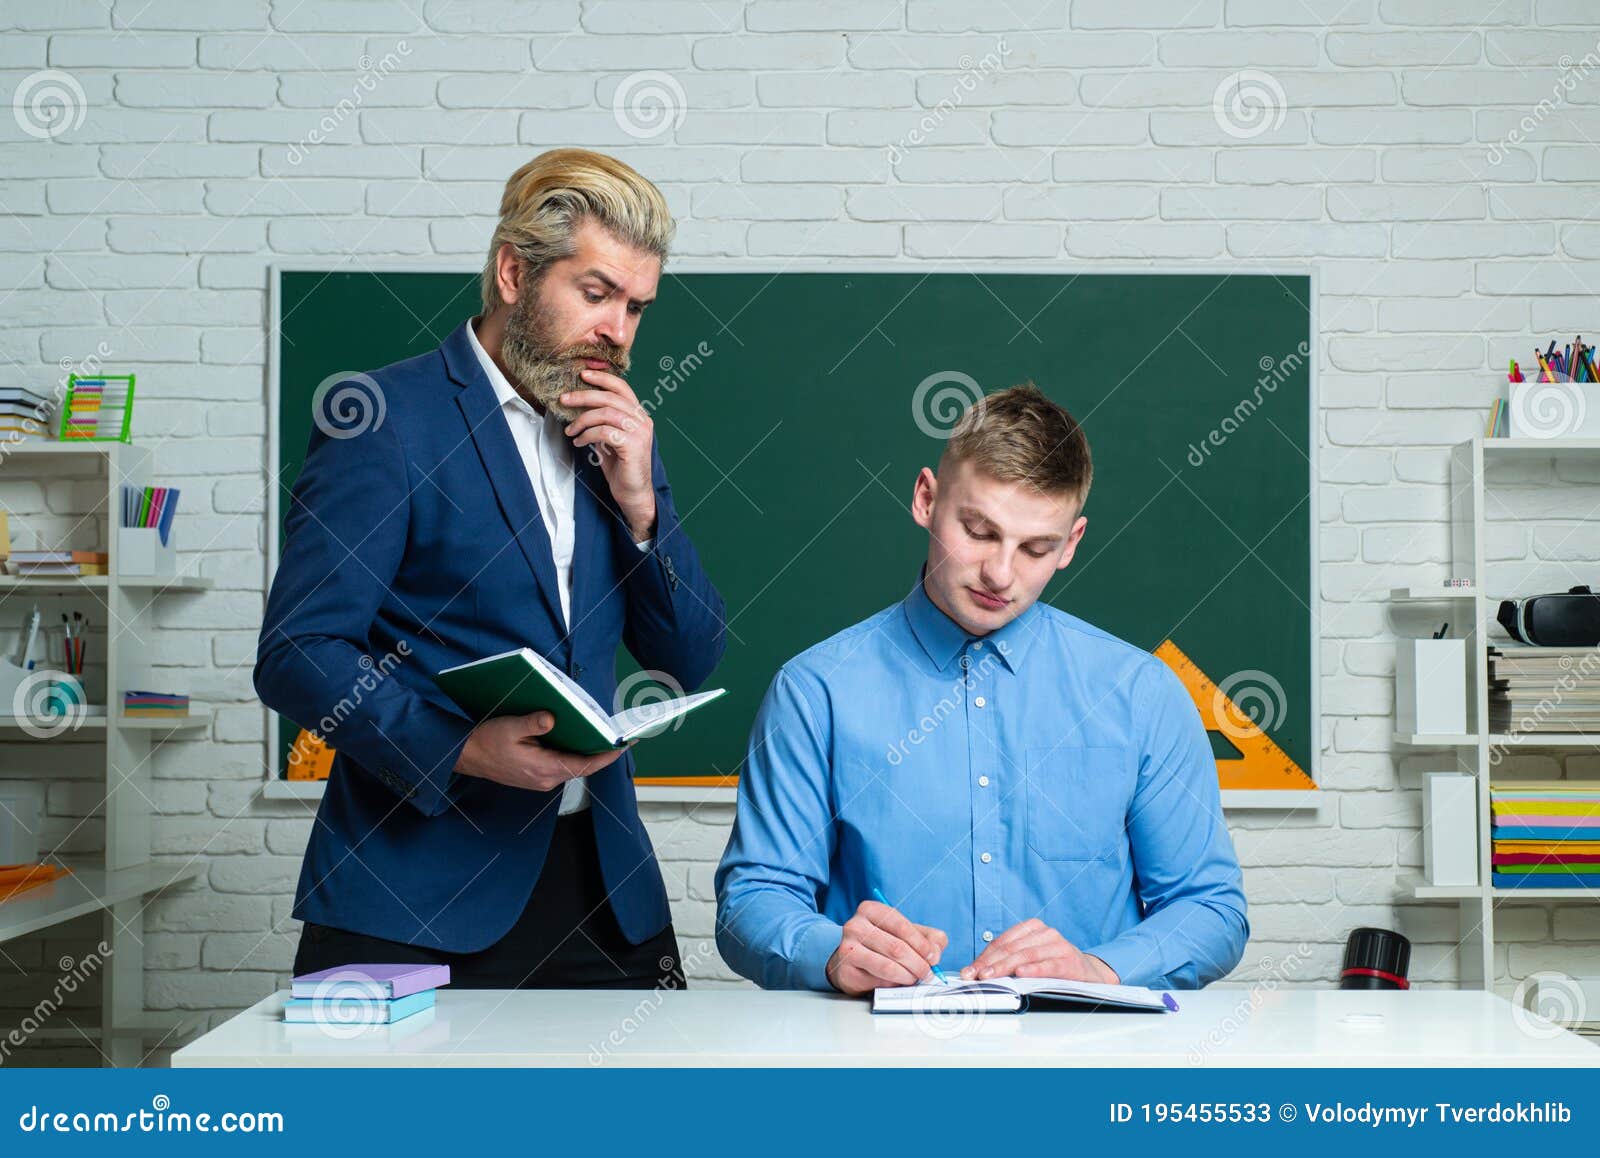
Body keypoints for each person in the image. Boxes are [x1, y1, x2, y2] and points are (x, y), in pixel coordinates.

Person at [256, 148, 725, 989]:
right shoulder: (385, 421)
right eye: (596, 294)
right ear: (514, 272)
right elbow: (299, 651)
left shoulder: (615, 435)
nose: (618, 330)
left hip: (604, 892)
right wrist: (462, 748)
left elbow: (688, 657)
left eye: (636, 306)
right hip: (416, 897)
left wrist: (643, 503)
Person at [715, 384, 1247, 994]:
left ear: (1071, 544)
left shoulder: (1141, 695)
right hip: (878, 1065)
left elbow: (1211, 910)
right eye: (979, 531)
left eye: (1036, 548)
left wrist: (1097, 971)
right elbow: (750, 903)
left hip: (1085, 1063)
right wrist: (831, 952)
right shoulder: (815, 693)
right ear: (925, 499)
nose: (1000, 573)